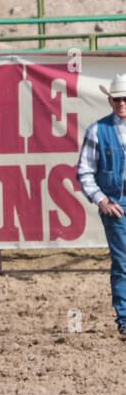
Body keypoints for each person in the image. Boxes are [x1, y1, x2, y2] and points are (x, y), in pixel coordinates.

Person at [75, 73, 126, 337]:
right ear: (110, 100)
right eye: (117, 99)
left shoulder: (98, 130)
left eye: (125, 99)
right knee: (123, 262)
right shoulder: (97, 130)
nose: (121, 104)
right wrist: (102, 200)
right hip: (117, 202)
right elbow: (84, 172)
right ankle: (125, 319)